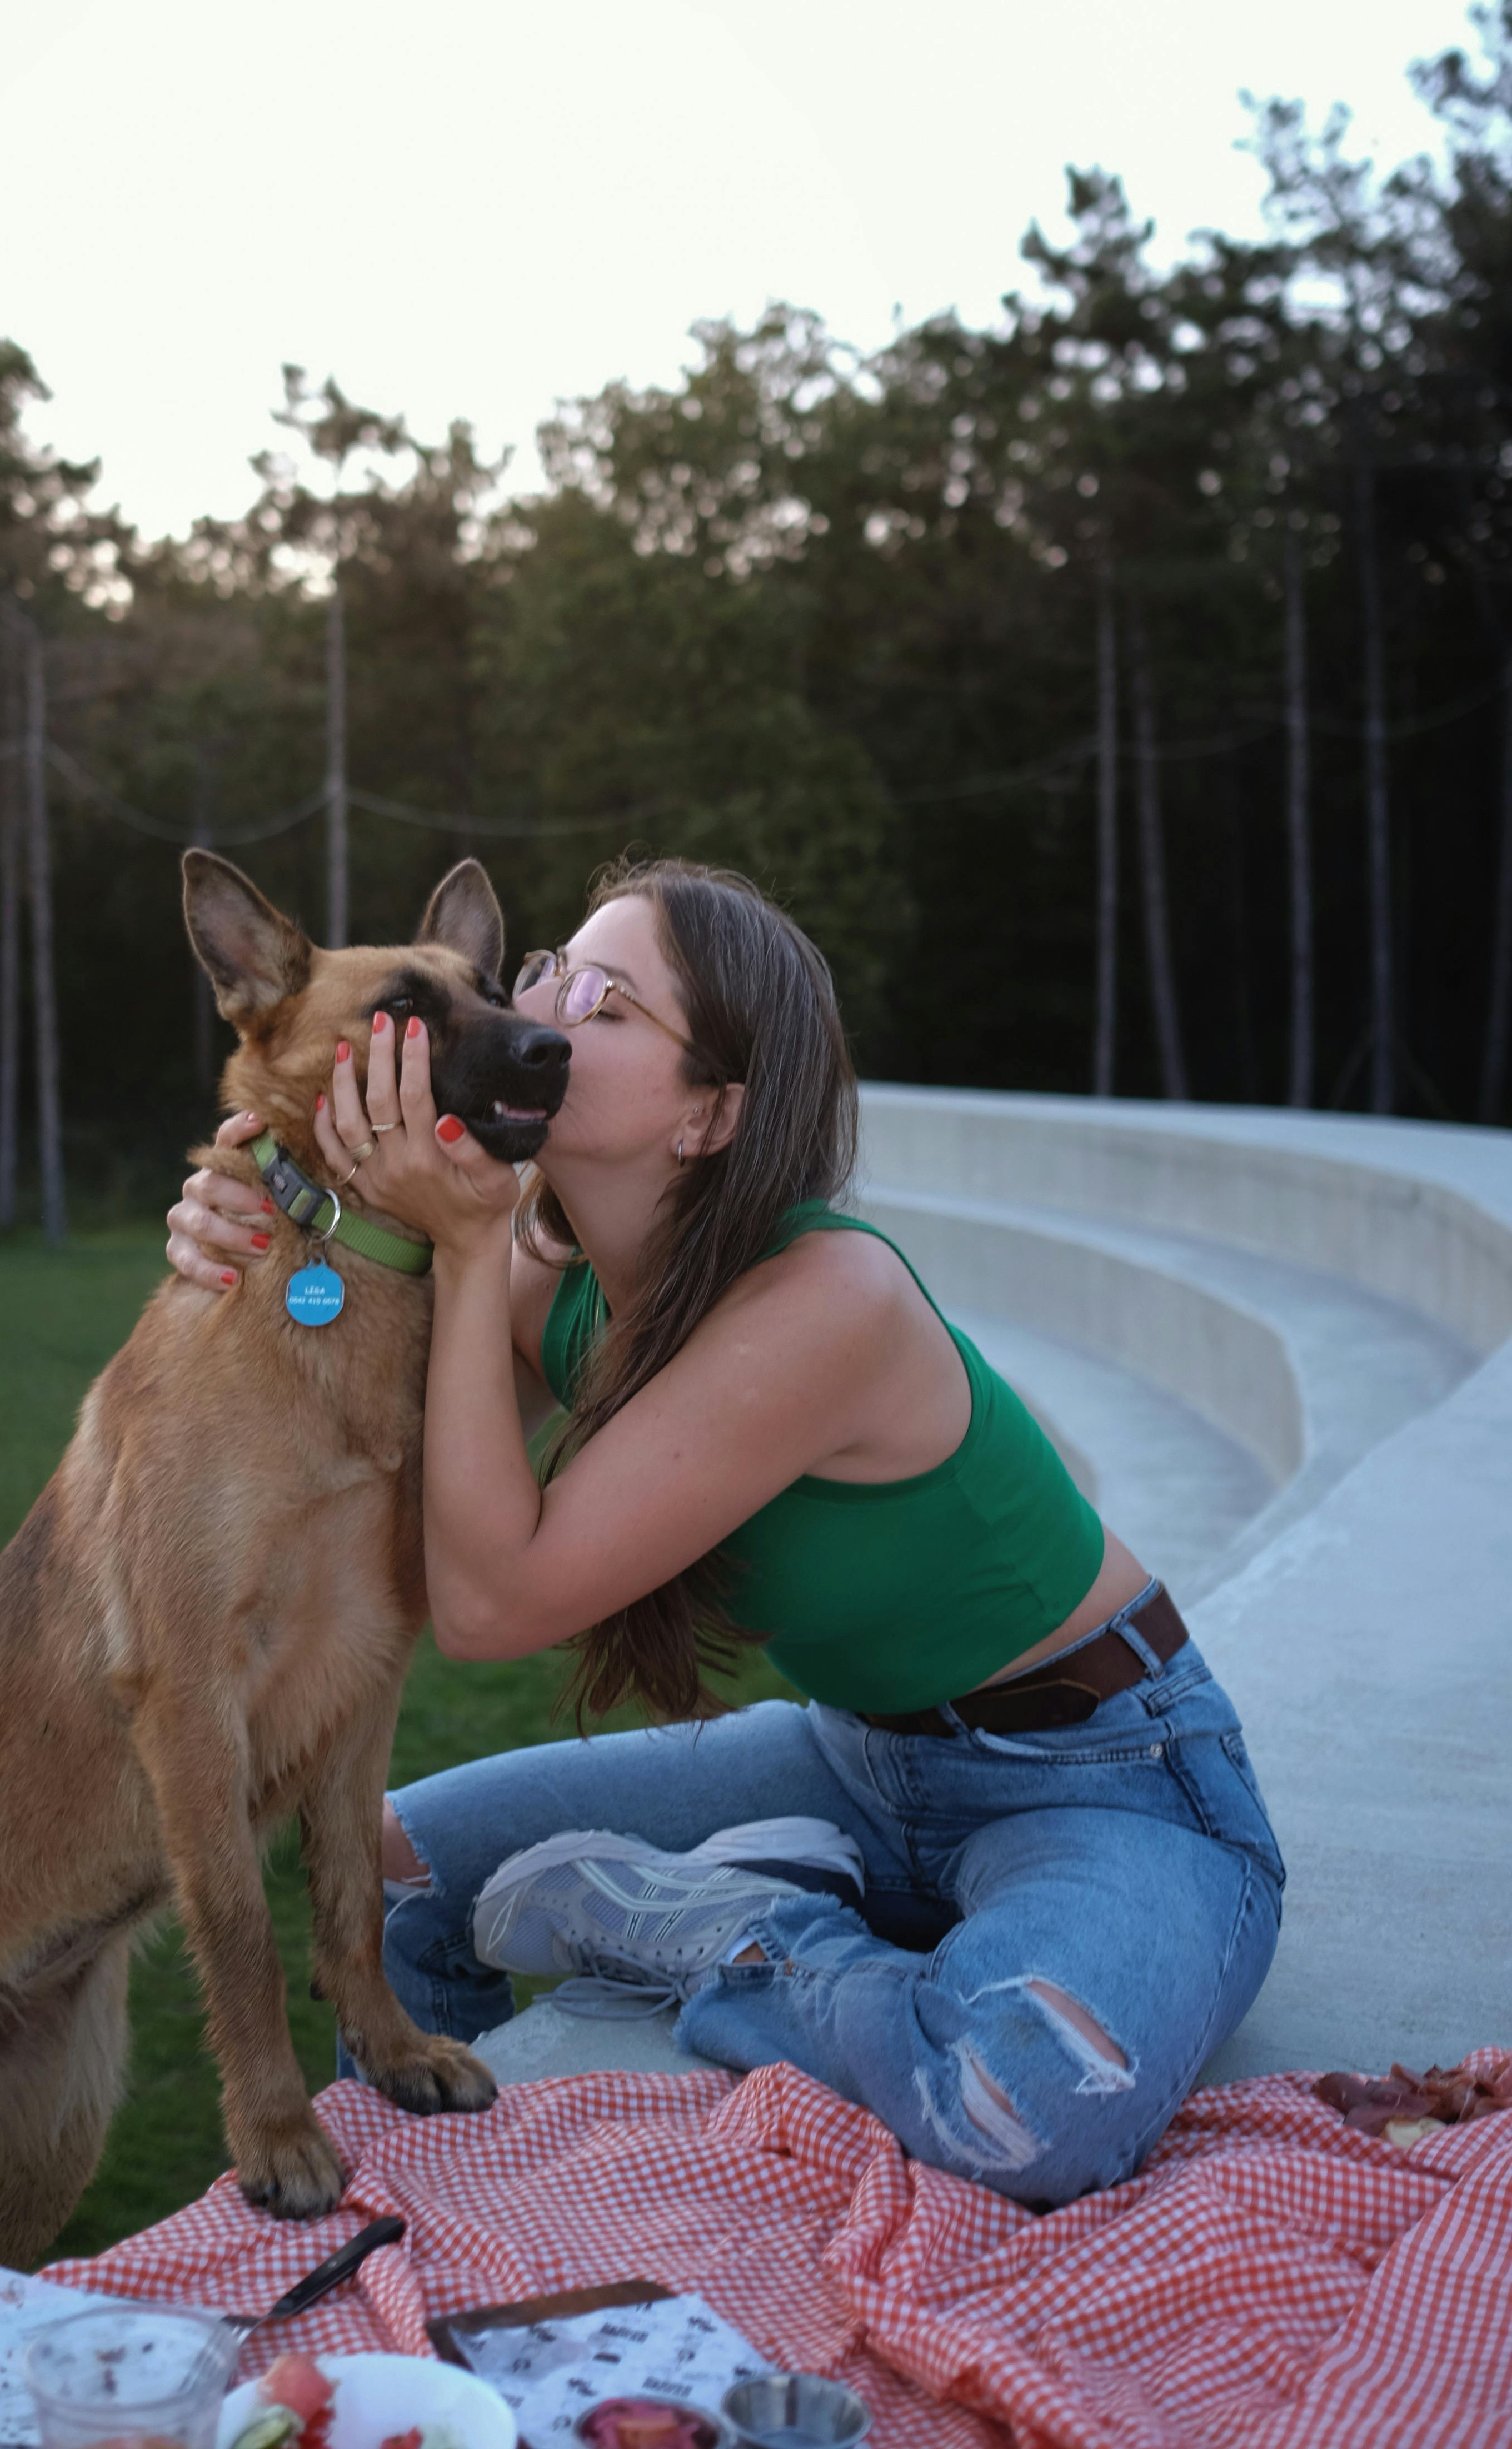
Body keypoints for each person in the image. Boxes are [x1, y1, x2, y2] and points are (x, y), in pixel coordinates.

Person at [164, 857, 1282, 2206]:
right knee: (405, 1864)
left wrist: (462, 1250)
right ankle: (414, 2207)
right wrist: (277, 1212)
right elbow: (376, 1471)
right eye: (548, 975)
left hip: (1097, 1774)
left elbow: (487, 1608)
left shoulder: (827, 1304)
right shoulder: (549, 1267)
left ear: (710, 1113)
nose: (544, 1014)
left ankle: (721, 1926)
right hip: (859, 1759)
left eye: (610, 1005)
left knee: (1016, 2110)